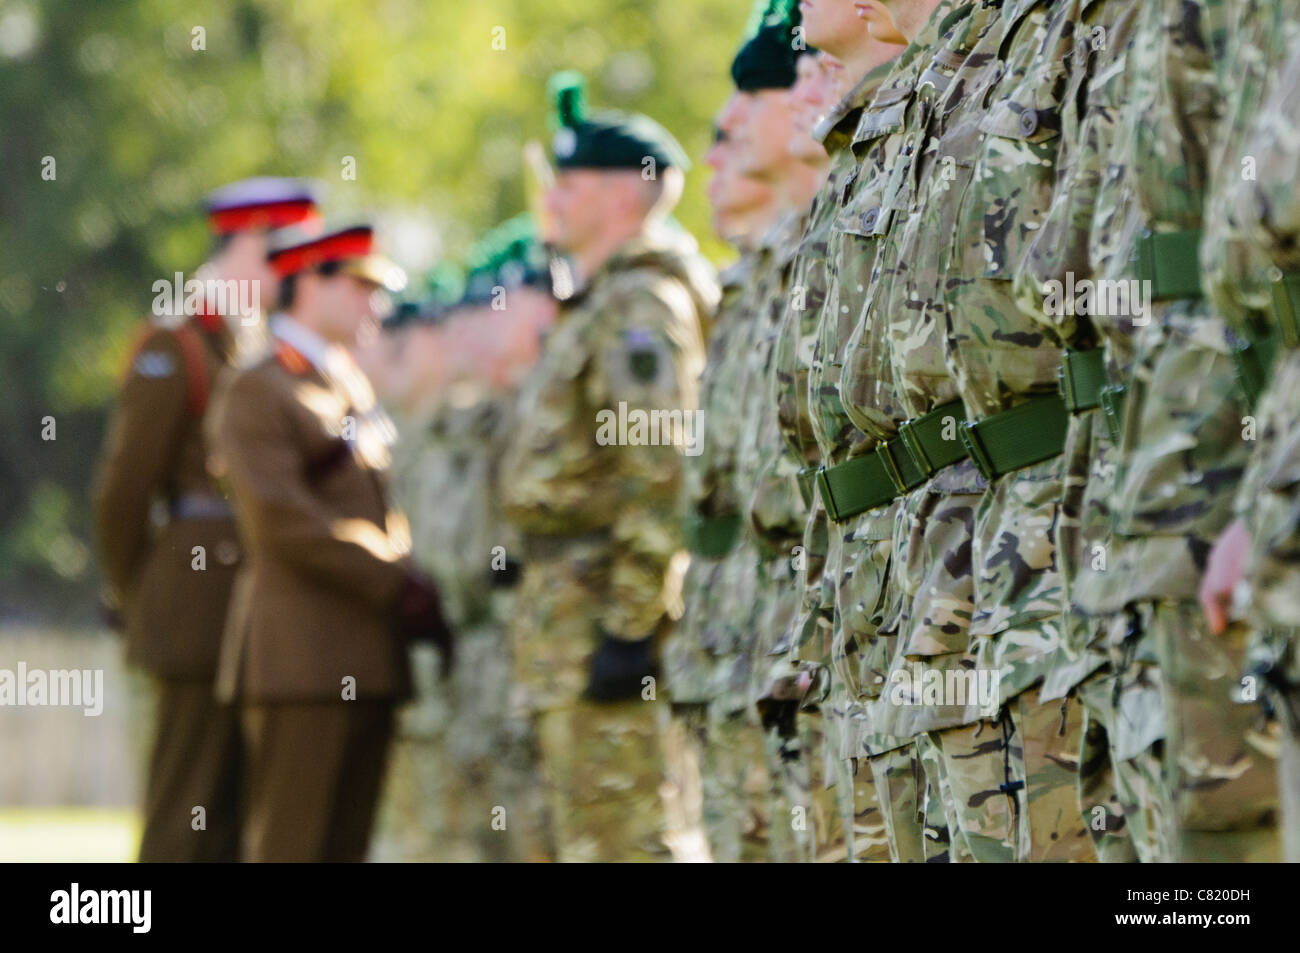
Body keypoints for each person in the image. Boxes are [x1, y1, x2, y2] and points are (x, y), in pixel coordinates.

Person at [497, 73, 717, 861]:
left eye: (572, 180)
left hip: (604, 624)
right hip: (566, 618)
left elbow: (660, 469)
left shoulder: (638, 307)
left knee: (631, 841)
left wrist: (631, 626)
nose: (550, 196)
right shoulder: (599, 299)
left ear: (627, 196)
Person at [209, 223, 453, 862]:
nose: (375, 305)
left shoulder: (344, 381)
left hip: (366, 658)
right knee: (294, 846)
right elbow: (282, 522)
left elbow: (373, 504)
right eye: (360, 287)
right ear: (310, 283)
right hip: (304, 663)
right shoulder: (258, 387)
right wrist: (397, 578)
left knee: (344, 849)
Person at [92, 176, 319, 862]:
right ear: (249, 246)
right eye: (284, 254)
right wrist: (145, 596)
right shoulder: (179, 342)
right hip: (194, 615)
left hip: (251, 617)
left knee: (231, 818)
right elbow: (123, 495)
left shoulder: (254, 347)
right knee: (182, 817)